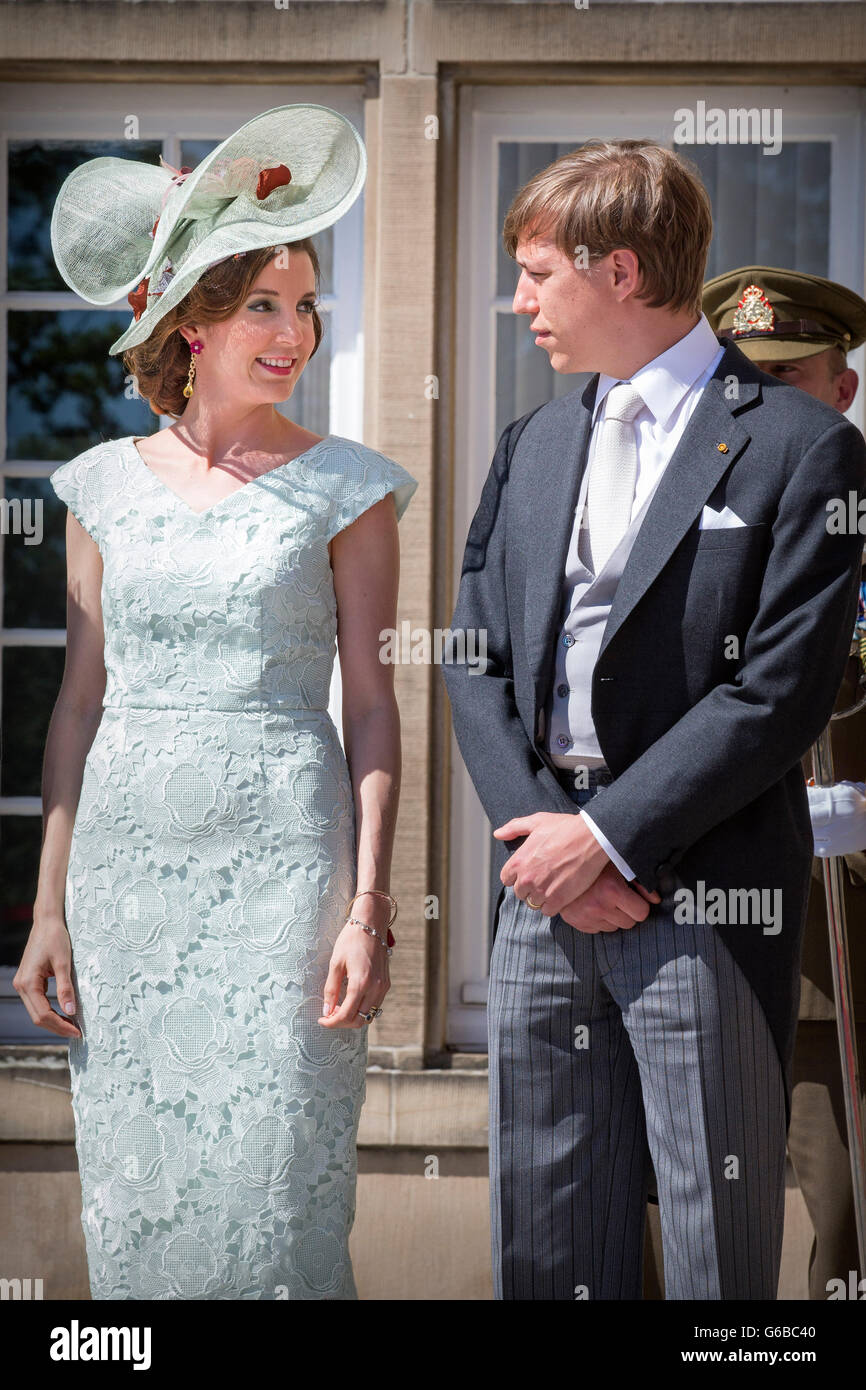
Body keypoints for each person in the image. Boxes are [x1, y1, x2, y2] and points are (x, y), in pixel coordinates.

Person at [442, 139, 866, 1300]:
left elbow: (772, 692)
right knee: (543, 1235)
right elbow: (468, 656)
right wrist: (547, 836)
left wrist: (609, 836)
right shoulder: (530, 446)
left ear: (618, 271)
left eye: (536, 272)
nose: (519, 299)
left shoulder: (803, 447)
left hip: (704, 893)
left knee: (712, 1251)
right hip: (538, 890)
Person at [12, 105, 418, 1300]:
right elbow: (77, 705)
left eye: (305, 305)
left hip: (285, 883)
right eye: (263, 306)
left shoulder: (352, 488)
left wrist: (369, 908)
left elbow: (375, 707)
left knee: (276, 1203)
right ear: (190, 322)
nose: (294, 331)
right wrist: (48, 908)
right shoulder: (96, 487)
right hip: (126, 888)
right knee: (144, 1211)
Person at [702, 266, 866, 1300]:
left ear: (840, 392)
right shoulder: (681, 534)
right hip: (724, 933)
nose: (757, 402)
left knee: (849, 1223)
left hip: (839, 939)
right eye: (738, 380)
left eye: (788, 376)